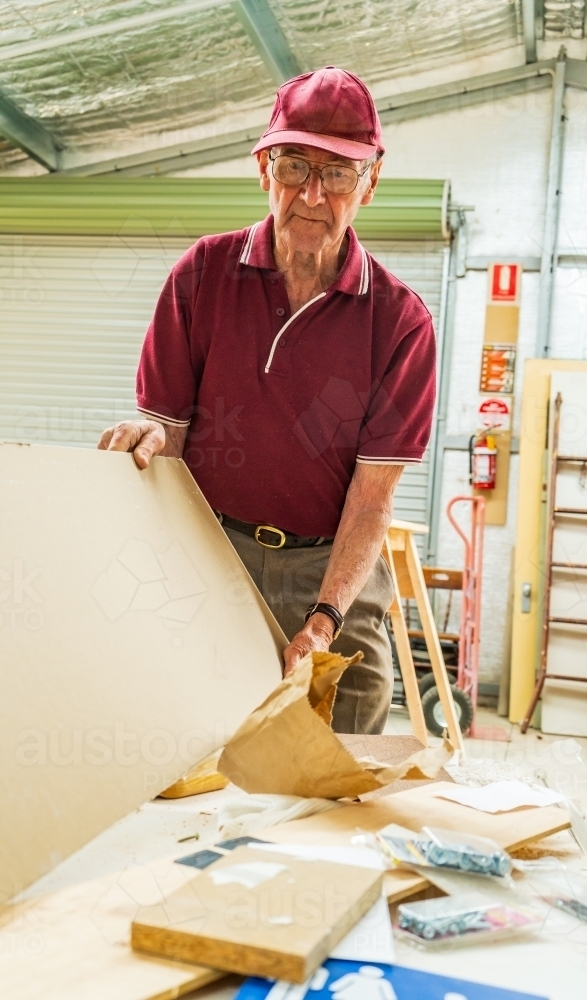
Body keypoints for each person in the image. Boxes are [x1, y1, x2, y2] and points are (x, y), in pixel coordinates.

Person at [98, 66, 436, 735]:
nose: (311, 193)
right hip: (213, 547)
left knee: (341, 759)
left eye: (337, 172)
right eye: (292, 165)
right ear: (262, 170)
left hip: (331, 567)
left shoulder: (399, 322)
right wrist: (146, 438)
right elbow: (171, 441)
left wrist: (324, 618)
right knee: (189, 749)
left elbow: (370, 501)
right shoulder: (200, 277)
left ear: (368, 185)